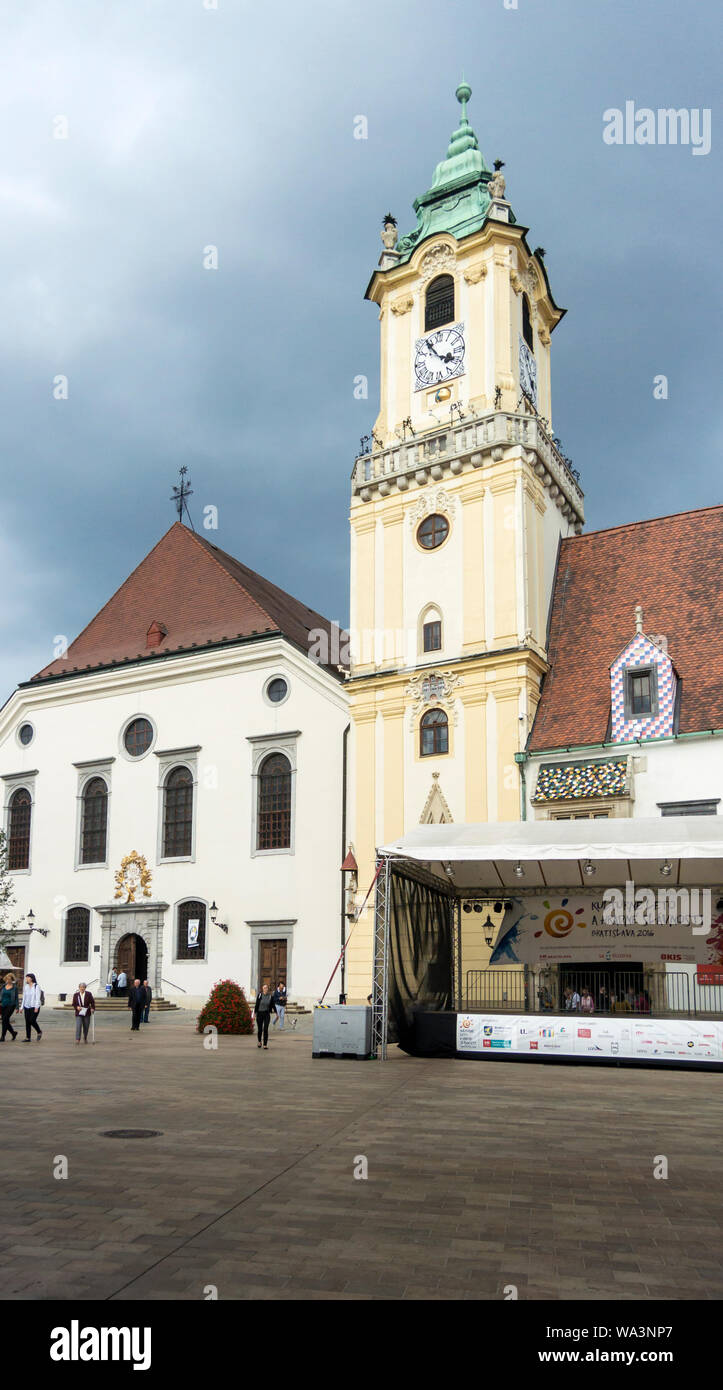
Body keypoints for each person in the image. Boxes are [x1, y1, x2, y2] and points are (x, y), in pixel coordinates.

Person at [254, 983, 277, 1049]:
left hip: (266, 1014)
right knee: (260, 1029)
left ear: (268, 989)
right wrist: (255, 1013)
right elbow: (257, 1005)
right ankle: (259, 1041)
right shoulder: (259, 995)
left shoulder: (270, 996)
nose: (265, 989)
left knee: (266, 1029)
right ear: (262, 989)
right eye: (264, 988)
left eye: (266, 988)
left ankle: (265, 1044)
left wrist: (276, 1013)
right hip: (259, 1014)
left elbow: (273, 1005)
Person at [21, 974, 42, 1041]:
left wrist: (36, 1007)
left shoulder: (36, 986)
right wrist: (21, 1007)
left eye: (27, 977)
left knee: (32, 1020)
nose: (26, 979)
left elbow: (38, 998)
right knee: (27, 1022)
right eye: (26, 978)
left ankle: (39, 1031)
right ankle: (28, 1037)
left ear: (31, 978)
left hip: (34, 1007)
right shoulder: (26, 986)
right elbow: (24, 997)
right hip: (26, 1006)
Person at [1, 973, 19, 1041]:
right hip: (3, 1005)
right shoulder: (3, 986)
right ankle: (13, 1033)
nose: (8, 980)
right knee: (5, 1021)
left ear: (12, 979)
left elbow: (16, 997)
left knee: (5, 1019)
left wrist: (17, 1007)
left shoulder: (15, 987)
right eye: (7, 979)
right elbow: (1, 995)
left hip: (11, 1005)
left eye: (9, 979)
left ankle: (2, 1037)